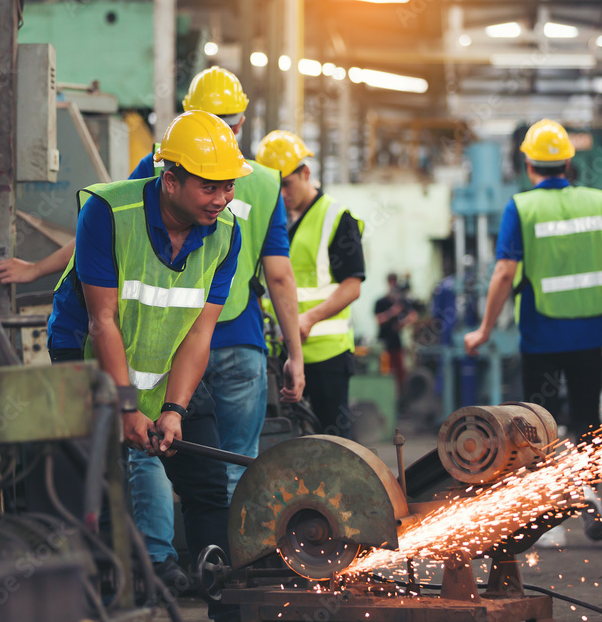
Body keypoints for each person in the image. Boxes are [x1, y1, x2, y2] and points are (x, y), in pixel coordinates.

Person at [47, 110, 248, 621]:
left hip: (168, 360)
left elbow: (201, 331)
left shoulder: (226, 233)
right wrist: (126, 408)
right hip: (89, 355)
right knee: (100, 483)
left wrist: (175, 409)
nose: (221, 199)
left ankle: (218, 597)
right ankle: (117, 598)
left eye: (227, 187)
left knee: (206, 482)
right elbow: (102, 320)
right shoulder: (108, 213)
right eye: (210, 188)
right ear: (171, 179)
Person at [124, 66, 305, 584]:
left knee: (149, 454)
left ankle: (161, 566)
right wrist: (294, 354)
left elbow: (108, 239)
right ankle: (231, 568)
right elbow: (280, 275)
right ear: (242, 119)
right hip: (240, 342)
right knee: (236, 463)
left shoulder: (159, 166)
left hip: (168, 340)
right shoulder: (266, 180)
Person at [463, 119, 602, 543]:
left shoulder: (522, 208)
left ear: (528, 164)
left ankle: (543, 514)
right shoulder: (599, 202)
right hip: (590, 333)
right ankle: (591, 494)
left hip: (541, 337)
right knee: (587, 418)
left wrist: (482, 330)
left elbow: (503, 273)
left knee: (538, 425)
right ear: (569, 162)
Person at [256, 130, 366, 439]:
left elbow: (352, 285)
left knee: (333, 443)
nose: (281, 195)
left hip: (326, 354)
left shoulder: (336, 218)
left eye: (286, 185)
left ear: (306, 173)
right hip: (279, 353)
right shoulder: (271, 219)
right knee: (286, 441)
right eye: (274, 188)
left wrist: (308, 318)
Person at [374, 273, 417, 399]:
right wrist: (393, 312)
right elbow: (379, 320)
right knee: (384, 373)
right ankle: (384, 397)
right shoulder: (381, 302)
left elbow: (413, 315)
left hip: (396, 343)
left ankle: (399, 400)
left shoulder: (401, 302)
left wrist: (401, 324)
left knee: (400, 374)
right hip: (383, 343)